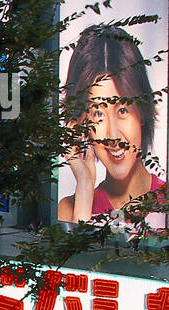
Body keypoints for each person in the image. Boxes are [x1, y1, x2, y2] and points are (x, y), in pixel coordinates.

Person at [59, 26, 166, 225]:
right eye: (98, 113)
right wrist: (84, 185)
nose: (113, 136)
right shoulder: (69, 211)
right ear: (82, 123)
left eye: (123, 110)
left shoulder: (165, 202)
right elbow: (75, 257)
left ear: (142, 111)